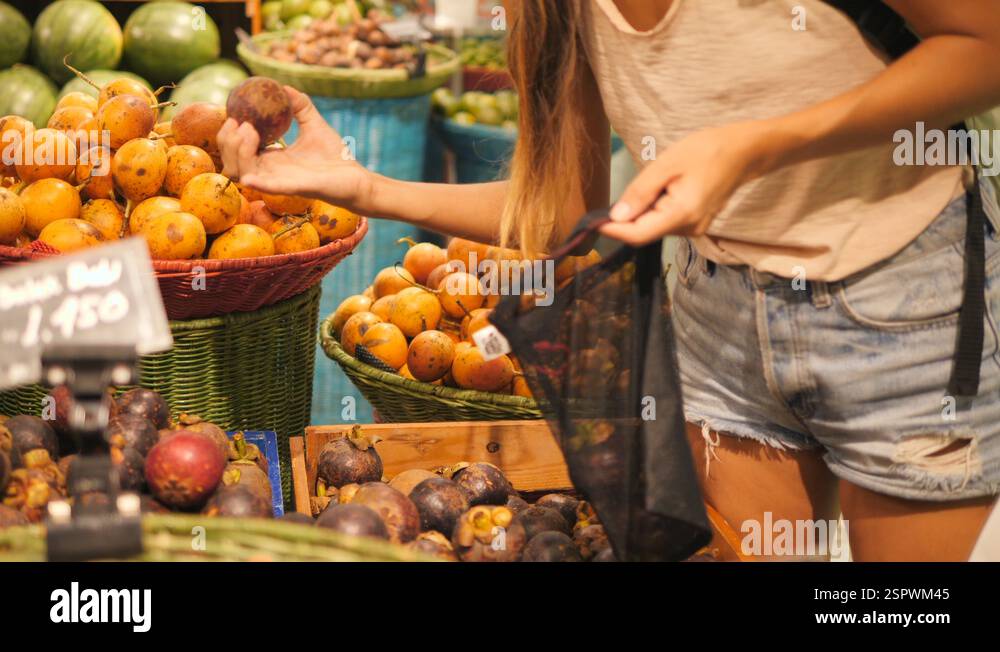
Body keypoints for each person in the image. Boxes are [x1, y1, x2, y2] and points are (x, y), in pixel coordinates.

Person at [218, 0, 1000, 561]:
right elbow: (561, 207)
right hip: (712, 304)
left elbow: (984, 42)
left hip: (898, 298)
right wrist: (361, 186)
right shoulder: (556, 11)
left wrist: (756, 147)